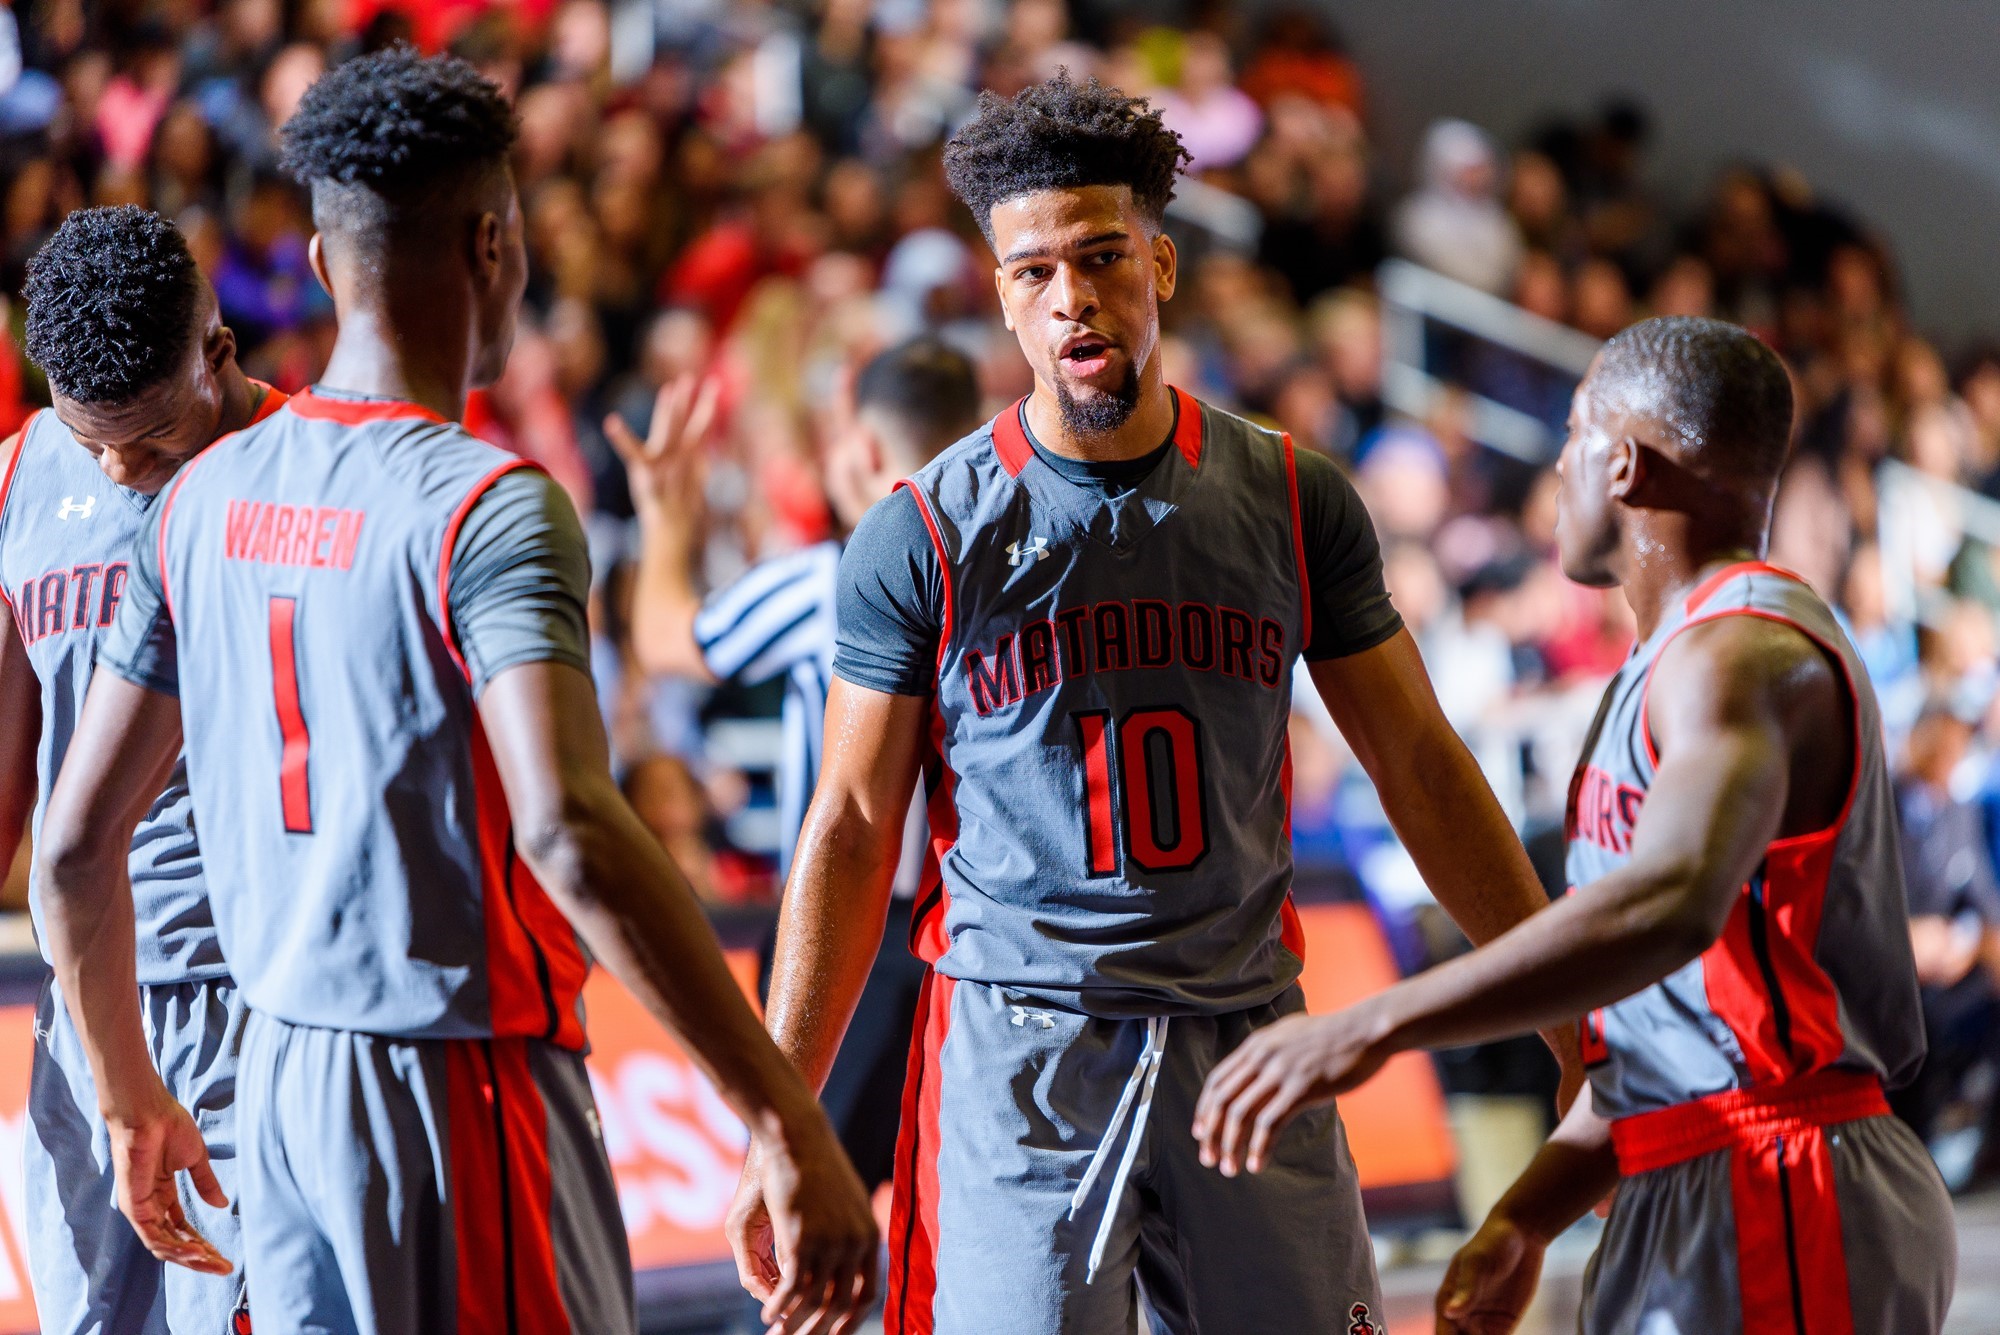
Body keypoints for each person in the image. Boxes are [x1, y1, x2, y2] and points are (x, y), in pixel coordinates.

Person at [32, 47, 875, 1335]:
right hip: (458, 1081)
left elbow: (77, 844)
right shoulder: (485, 504)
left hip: (278, 1089)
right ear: (496, 248)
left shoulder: (192, 504)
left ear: (317, 267)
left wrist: (126, 1085)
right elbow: (570, 833)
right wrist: (781, 1112)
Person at [726, 72, 1575, 1335]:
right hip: (1026, 1051)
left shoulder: (1292, 498)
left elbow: (1421, 766)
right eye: (1030, 273)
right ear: (1001, 302)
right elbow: (849, 829)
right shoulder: (922, 534)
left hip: (1246, 1035)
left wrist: (1561, 1017)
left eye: (1100, 255)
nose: (1069, 293)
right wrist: (779, 1121)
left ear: (1161, 268)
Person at [1194, 316, 1956, 1334]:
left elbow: (1667, 908)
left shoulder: (1738, 657)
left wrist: (1374, 1023)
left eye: (1568, 437)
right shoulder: (1660, 667)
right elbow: (1664, 1024)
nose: (1554, 469)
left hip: (1779, 1176)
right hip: (1686, 1171)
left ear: (1625, 464)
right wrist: (1523, 1216)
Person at [0, 204, 285, 1334]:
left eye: (153, 436)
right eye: (93, 436)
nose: (120, 467)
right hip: (83, 1021)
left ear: (217, 348)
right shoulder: (19, 475)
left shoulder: (301, 474)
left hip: (248, 1006)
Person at [611, 336, 983, 1193]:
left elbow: (667, 637)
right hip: (974, 935)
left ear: (861, 452)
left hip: (847, 927)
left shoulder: (838, 579)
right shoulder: (1014, 576)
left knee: (799, 1199)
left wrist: (668, 516)